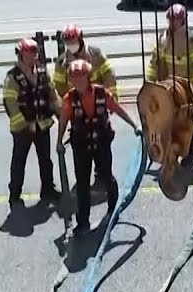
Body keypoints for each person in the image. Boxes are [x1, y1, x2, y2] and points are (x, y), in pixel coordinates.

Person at [56, 59, 141, 237]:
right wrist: (59, 141)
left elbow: (119, 110)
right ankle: (83, 222)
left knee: (106, 176)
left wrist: (135, 125)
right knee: (82, 184)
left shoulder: (102, 94)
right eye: (75, 78)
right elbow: (63, 121)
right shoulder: (69, 99)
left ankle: (114, 207)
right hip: (81, 145)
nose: (78, 81)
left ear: (88, 77)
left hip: (101, 142)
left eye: (81, 77)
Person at [51, 23, 117, 191]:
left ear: (80, 39)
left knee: (102, 142)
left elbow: (109, 74)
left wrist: (111, 98)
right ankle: (84, 180)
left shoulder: (95, 54)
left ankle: (102, 176)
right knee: (81, 143)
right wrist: (68, 106)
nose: (71, 45)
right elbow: (59, 85)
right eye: (68, 43)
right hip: (78, 110)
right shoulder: (62, 62)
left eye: (73, 41)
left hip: (98, 106)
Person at [146, 4, 193, 170]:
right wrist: (150, 81)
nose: (173, 23)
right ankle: (170, 153)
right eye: (171, 20)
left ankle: (190, 156)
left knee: (188, 121)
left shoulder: (192, 40)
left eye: (176, 20)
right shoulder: (162, 38)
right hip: (166, 87)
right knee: (167, 121)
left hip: (186, 87)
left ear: (183, 20)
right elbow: (154, 61)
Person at [3, 38, 60, 207]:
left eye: (34, 54)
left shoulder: (42, 73)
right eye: (29, 54)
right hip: (23, 129)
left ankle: (48, 189)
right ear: (20, 56)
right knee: (19, 162)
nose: (33, 57)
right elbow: (10, 103)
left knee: (46, 160)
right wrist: (23, 125)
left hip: (42, 125)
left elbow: (52, 96)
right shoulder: (13, 77)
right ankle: (15, 195)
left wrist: (61, 117)